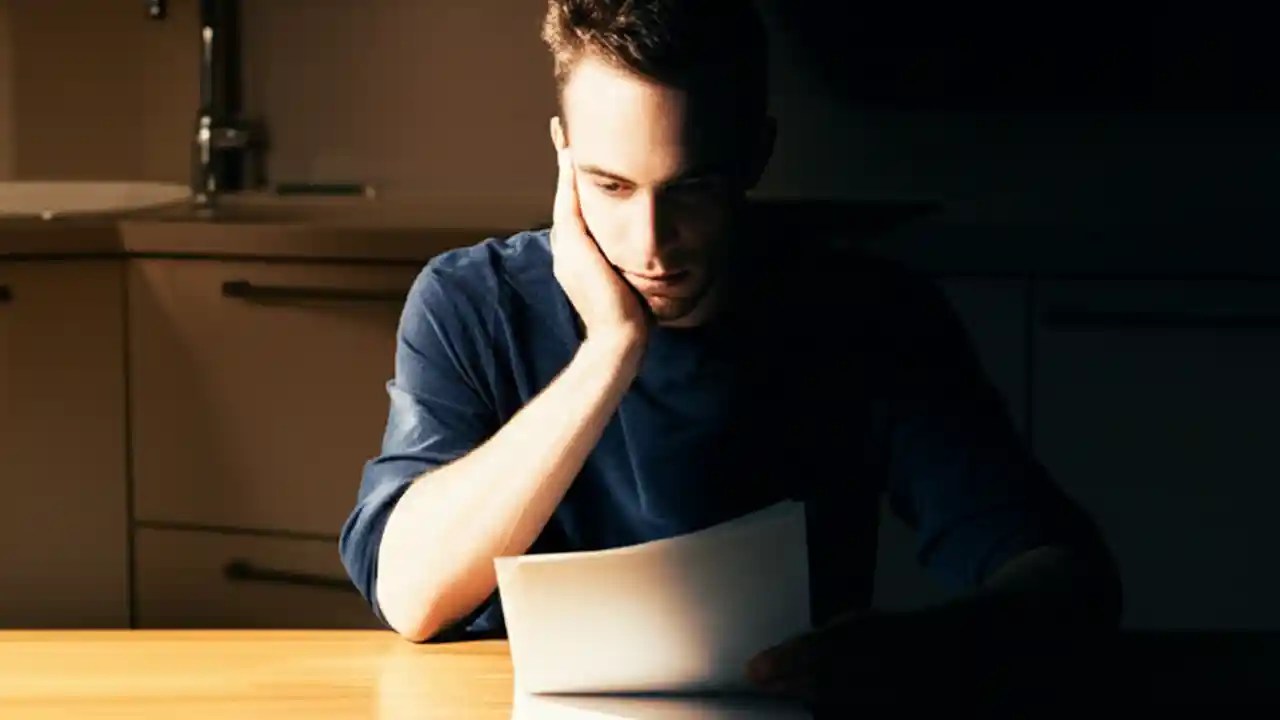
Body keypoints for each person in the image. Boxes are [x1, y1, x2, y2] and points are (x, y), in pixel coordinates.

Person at [339, 0, 1122, 704]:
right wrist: (610, 352)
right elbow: (411, 595)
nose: (650, 245)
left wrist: (931, 648)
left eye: (691, 189)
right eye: (609, 186)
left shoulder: (868, 315)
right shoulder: (473, 302)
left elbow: (1065, 579)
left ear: (755, 156)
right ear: (561, 153)